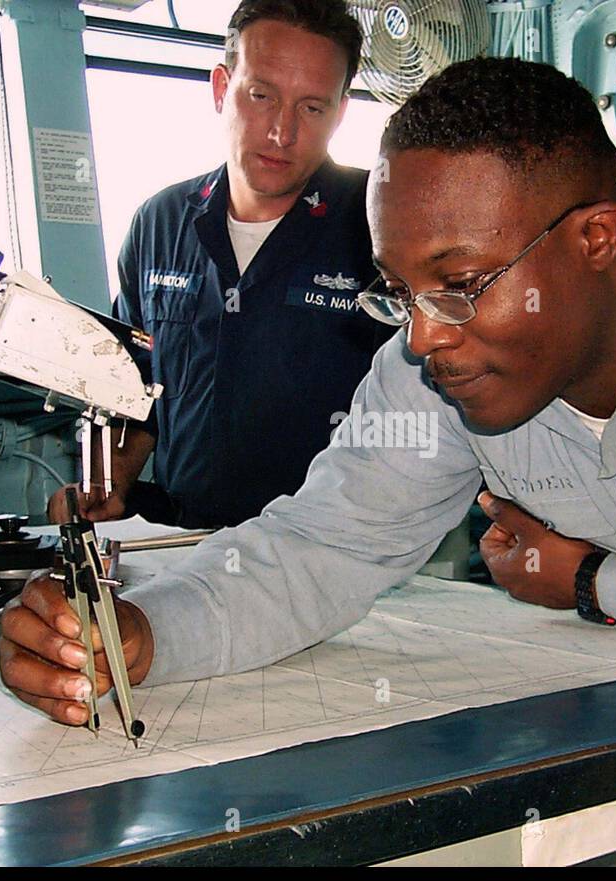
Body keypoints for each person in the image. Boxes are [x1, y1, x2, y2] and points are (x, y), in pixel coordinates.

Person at [2, 57, 616, 866]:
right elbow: (320, 546)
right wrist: (143, 633)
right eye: (395, 288)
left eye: (459, 283)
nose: (422, 335)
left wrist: (592, 582)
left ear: (594, 239)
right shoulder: (439, 360)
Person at [49, 0, 388, 529]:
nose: (282, 132)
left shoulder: (383, 223)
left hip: (332, 553)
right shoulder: (159, 224)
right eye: (261, 96)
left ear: (340, 113)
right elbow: (135, 384)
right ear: (219, 89)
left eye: (312, 108)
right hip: (183, 545)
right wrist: (107, 485)